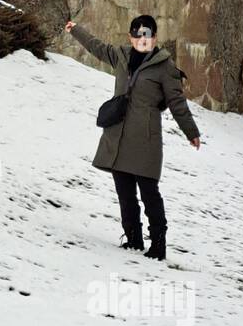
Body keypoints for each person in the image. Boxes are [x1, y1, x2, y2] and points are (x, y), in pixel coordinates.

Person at [64, 14, 200, 261]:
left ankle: (158, 245)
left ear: (155, 38)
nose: (142, 39)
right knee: (125, 193)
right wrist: (75, 30)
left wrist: (191, 132)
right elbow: (97, 47)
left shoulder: (165, 67)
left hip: (145, 140)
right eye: (137, 35)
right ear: (131, 37)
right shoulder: (121, 55)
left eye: (147, 35)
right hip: (118, 136)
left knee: (149, 194)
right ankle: (133, 239)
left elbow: (177, 102)